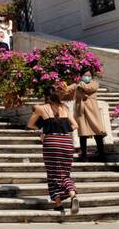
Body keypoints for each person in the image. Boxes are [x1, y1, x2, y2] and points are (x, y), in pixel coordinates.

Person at [27, 84, 80, 213]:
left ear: (45, 96)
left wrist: (43, 132)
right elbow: (75, 125)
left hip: (52, 143)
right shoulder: (65, 107)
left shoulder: (41, 108)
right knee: (64, 173)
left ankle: (63, 199)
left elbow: (30, 124)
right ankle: (68, 197)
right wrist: (63, 130)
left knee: (52, 173)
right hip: (66, 142)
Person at [73, 73, 108, 161]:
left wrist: (80, 84)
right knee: (83, 134)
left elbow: (89, 88)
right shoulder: (78, 84)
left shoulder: (94, 83)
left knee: (98, 132)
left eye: (88, 75)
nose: (86, 77)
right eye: (84, 75)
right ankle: (84, 155)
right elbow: (68, 91)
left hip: (92, 111)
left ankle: (101, 154)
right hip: (81, 111)